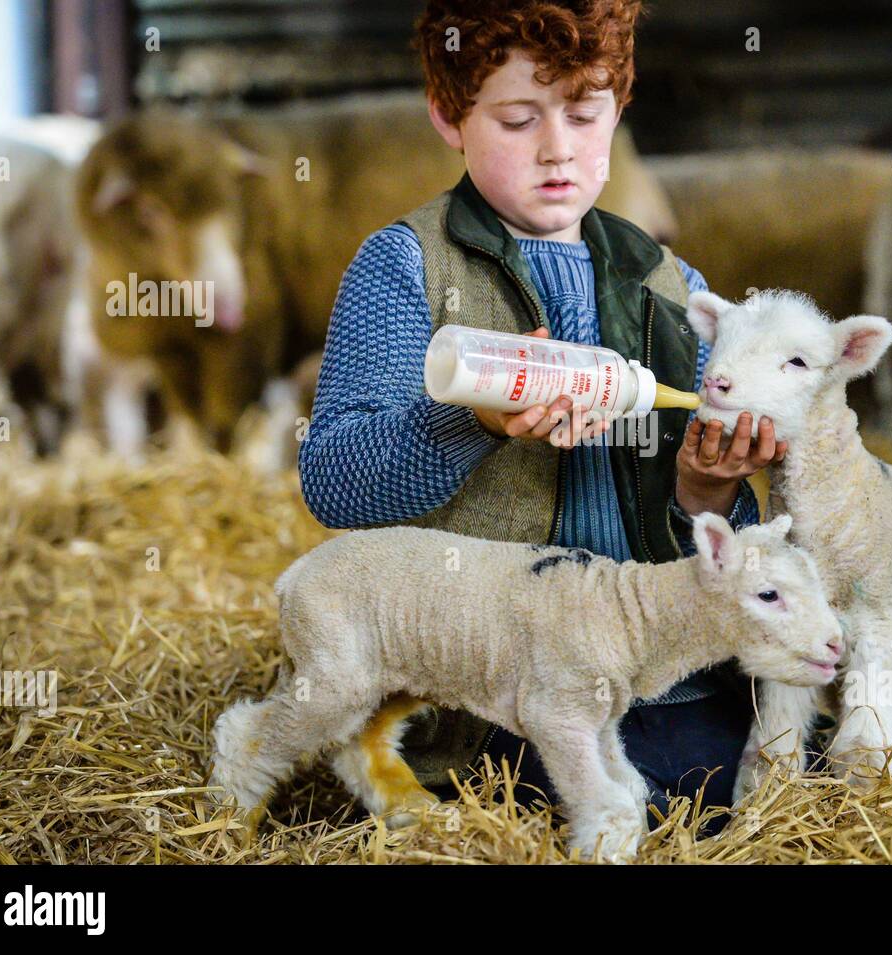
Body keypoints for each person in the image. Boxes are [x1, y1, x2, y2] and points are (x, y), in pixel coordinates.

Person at [298, 0, 793, 827]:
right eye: (519, 119)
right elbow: (334, 482)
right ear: (449, 115)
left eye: (585, 113)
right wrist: (471, 422)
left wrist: (708, 488)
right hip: (492, 682)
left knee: (770, 769)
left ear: (619, 108)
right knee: (619, 795)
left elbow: (717, 538)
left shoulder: (673, 286)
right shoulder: (406, 266)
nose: (558, 147)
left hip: (654, 668)